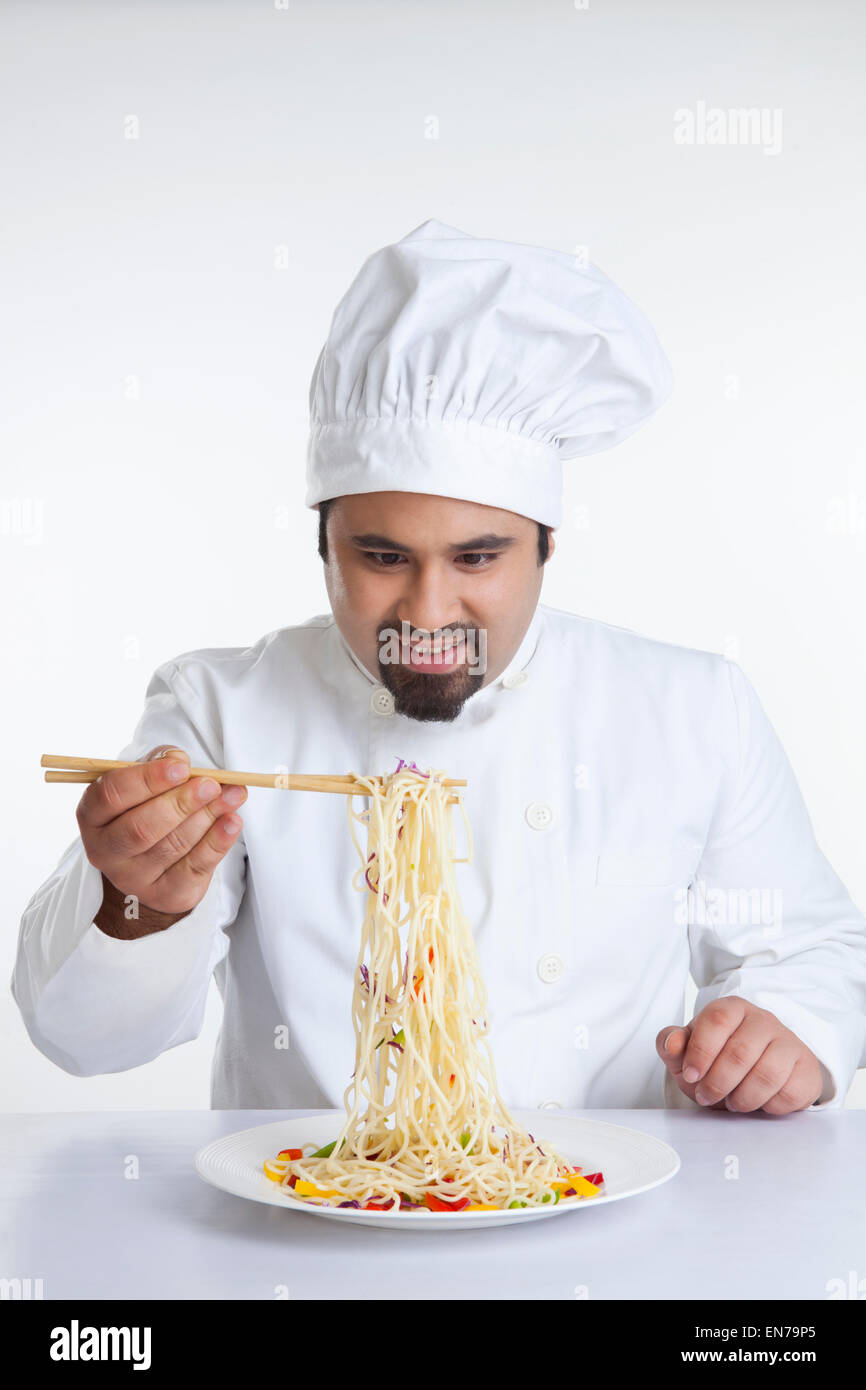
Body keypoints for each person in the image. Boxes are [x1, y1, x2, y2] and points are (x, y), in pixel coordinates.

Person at [14, 219, 866, 1114]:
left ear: (545, 546)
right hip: (316, 1220)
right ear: (323, 545)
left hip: (612, 1227)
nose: (426, 613)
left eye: (476, 559)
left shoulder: (692, 708)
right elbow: (85, 1041)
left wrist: (785, 1034)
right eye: (382, 559)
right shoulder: (220, 711)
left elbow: (809, 955)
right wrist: (139, 903)